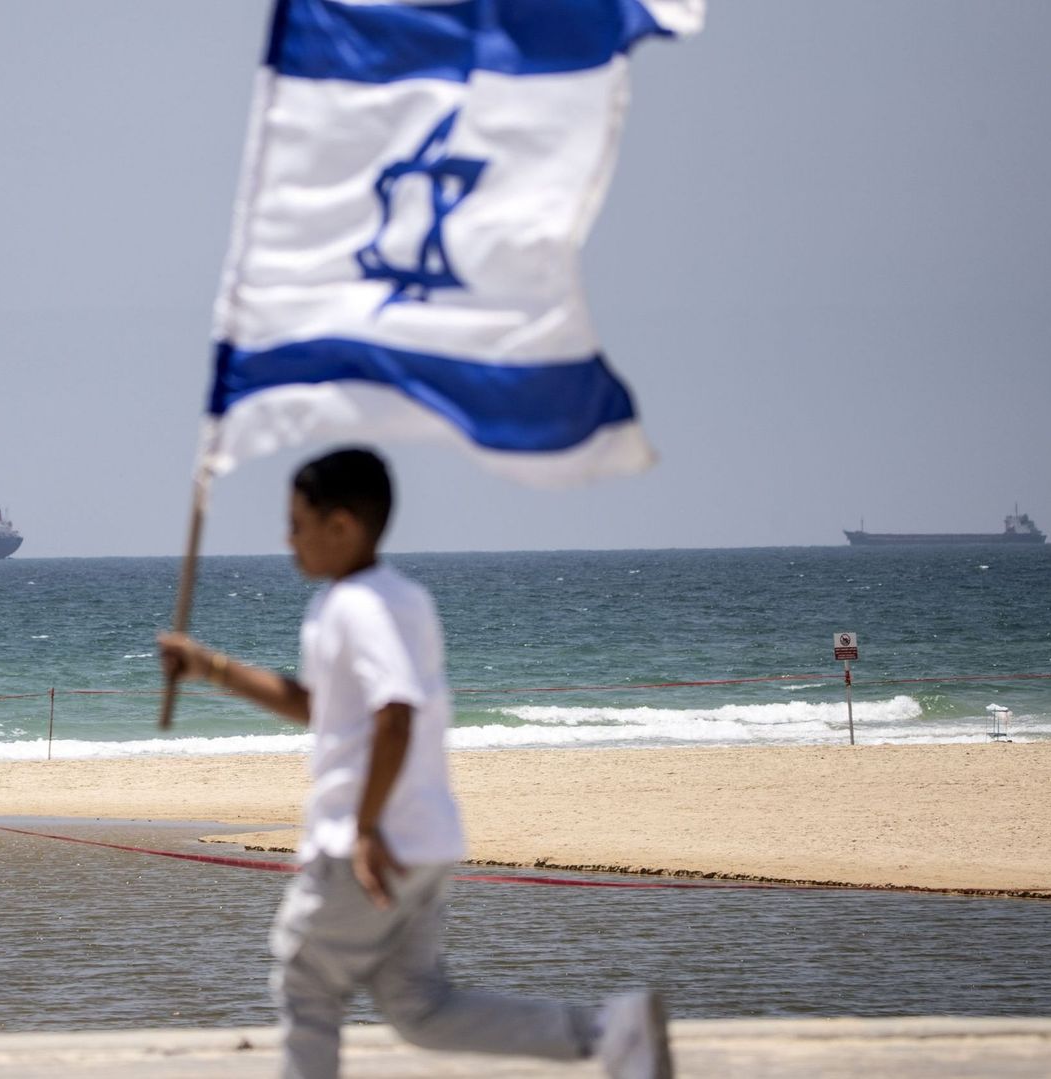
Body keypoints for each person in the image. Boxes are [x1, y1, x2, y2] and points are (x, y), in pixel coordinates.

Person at [158, 447, 671, 1079]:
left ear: (341, 526)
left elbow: (394, 714)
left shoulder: (356, 607)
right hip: (426, 841)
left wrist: (366, 828)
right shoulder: (396, 597)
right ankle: (608, 1032)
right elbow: (322, 706)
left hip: (373, 844)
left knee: (305, 976)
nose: (286, 538)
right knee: (419, 1008)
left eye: (296, 522)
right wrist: (210, 667)